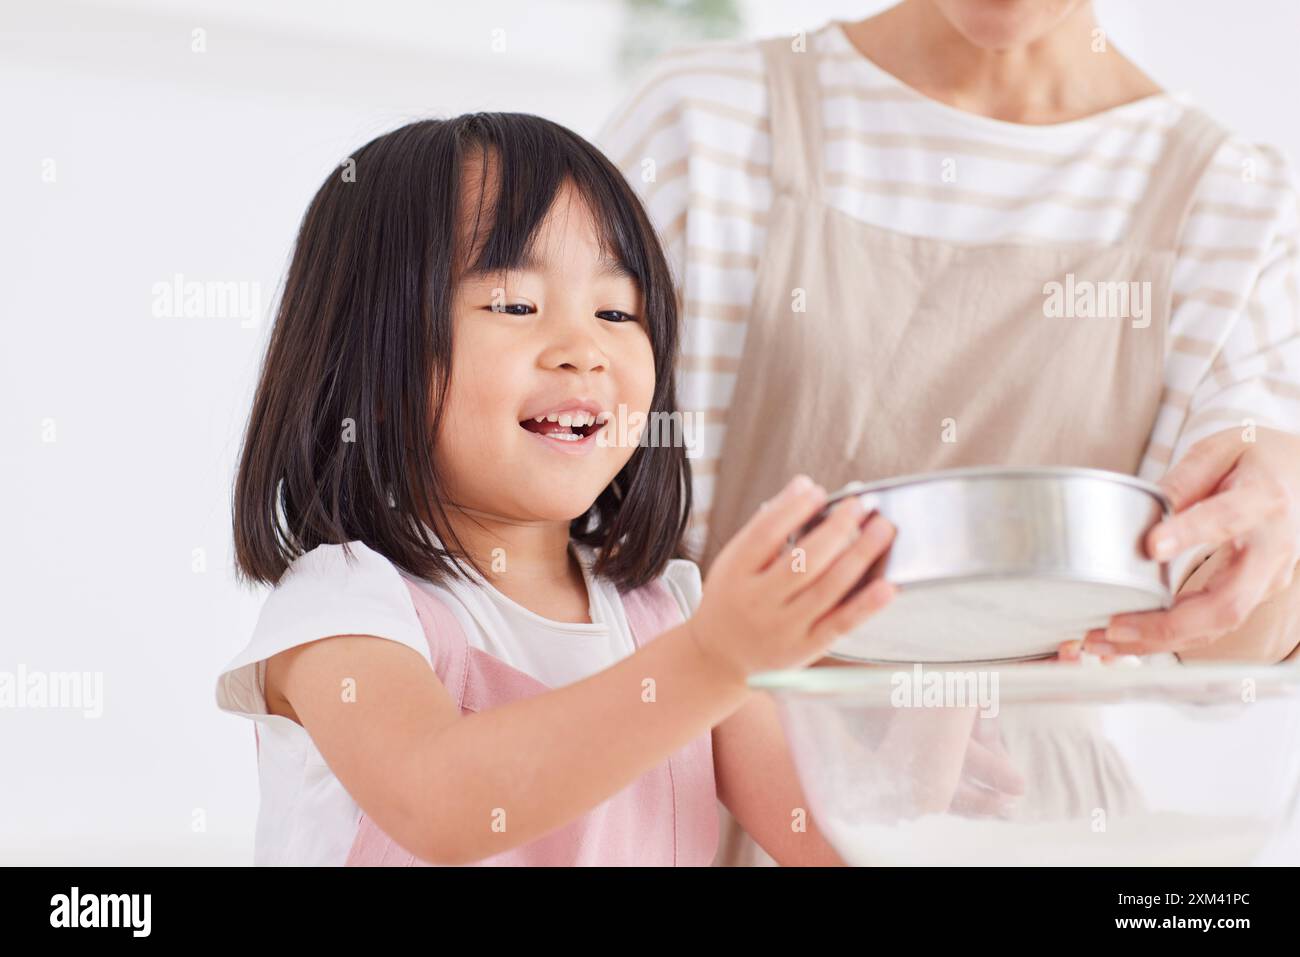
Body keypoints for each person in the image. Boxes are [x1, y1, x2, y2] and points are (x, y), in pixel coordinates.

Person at [597, 0, 1300, 865]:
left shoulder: (1234, 206)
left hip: (1034, 836)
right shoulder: (699, 122)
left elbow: (1227, 663)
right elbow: (545, 548)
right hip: (694, 812)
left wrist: (1276, 536)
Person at [213, 113, 924, 865]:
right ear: (374, 369)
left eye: (617, 311)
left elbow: (839, 843)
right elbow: (442, 801)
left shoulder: (666, 615)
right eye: (515, 305)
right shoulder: (349, 603)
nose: (583, 350)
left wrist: (978, 659)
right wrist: (715, 659)